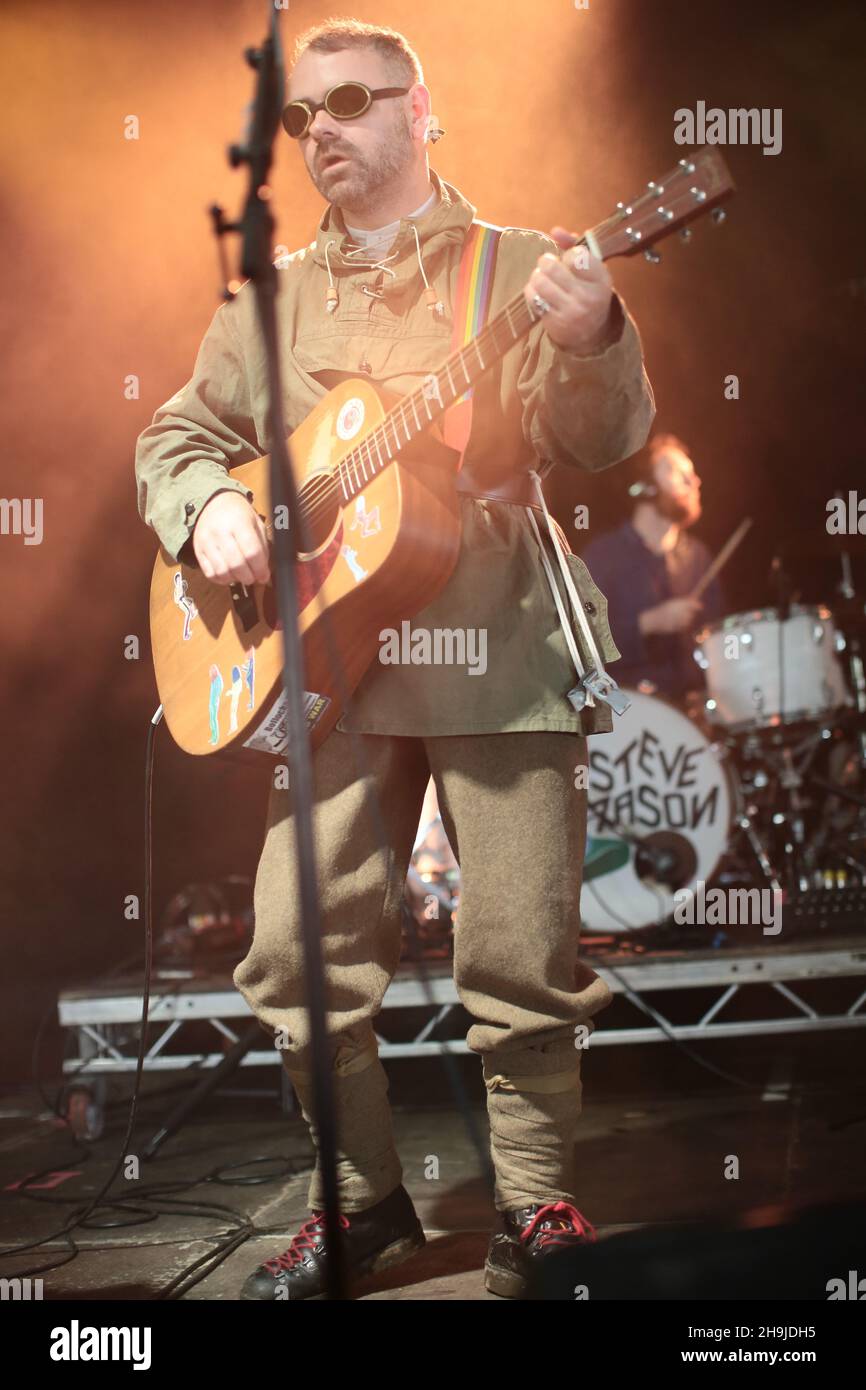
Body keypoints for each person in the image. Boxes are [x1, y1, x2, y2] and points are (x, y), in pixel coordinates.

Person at [135, 18, 654, 1300]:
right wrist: (201, 503)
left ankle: (531, 1212)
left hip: (499, 644)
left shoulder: (520, 266)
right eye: (303, 116)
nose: (322, 132)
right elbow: (177, 432)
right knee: (293, 955)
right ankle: (361, 1209)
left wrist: (592, 336)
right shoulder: (268, 300)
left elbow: (597, 442)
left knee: (517, 958)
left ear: (421, 111)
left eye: (351, 103)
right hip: (334, 665)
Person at [580, 433, 723, 703]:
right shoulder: (602, 556)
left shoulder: (699, 557)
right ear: (646, 485)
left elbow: (718, 643)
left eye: (691, 473)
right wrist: (648, 623)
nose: (693, 481)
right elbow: (577, 643)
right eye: (675, 471)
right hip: (622, 713)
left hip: (689, 715)